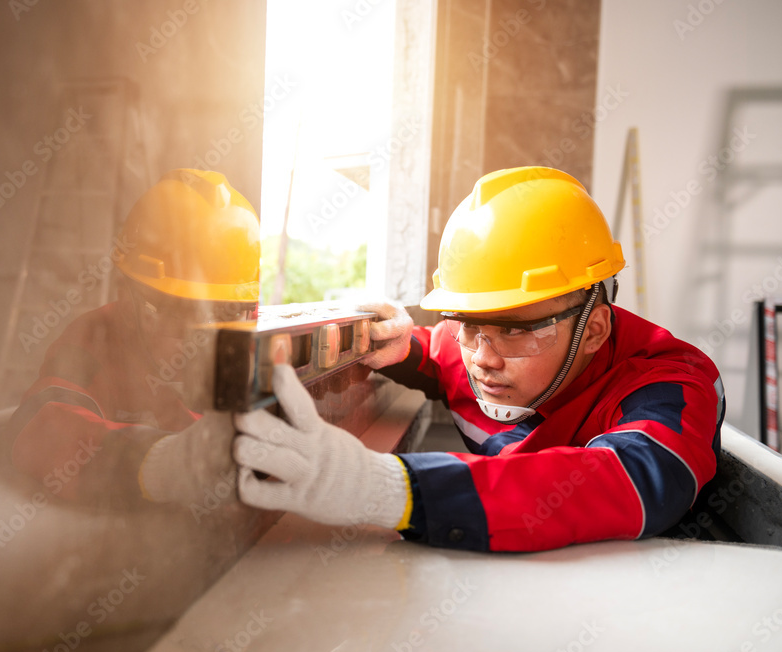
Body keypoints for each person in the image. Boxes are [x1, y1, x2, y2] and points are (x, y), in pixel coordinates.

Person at [233, 166, 725, 552]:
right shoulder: (474, 351)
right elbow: (436, 349)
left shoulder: (669, 386)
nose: (483, 361)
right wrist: (403, 347)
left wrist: (390, 489)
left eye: (514, 331)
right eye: (470, 325)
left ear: (592, 330)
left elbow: (631, 481)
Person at [7, 168, 258, 508]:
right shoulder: (91, 342)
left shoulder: (257, 340)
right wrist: (162, 465)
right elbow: (41, 423)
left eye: (225, 312)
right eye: (180, 311)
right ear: (128, 296)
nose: (203, 335)